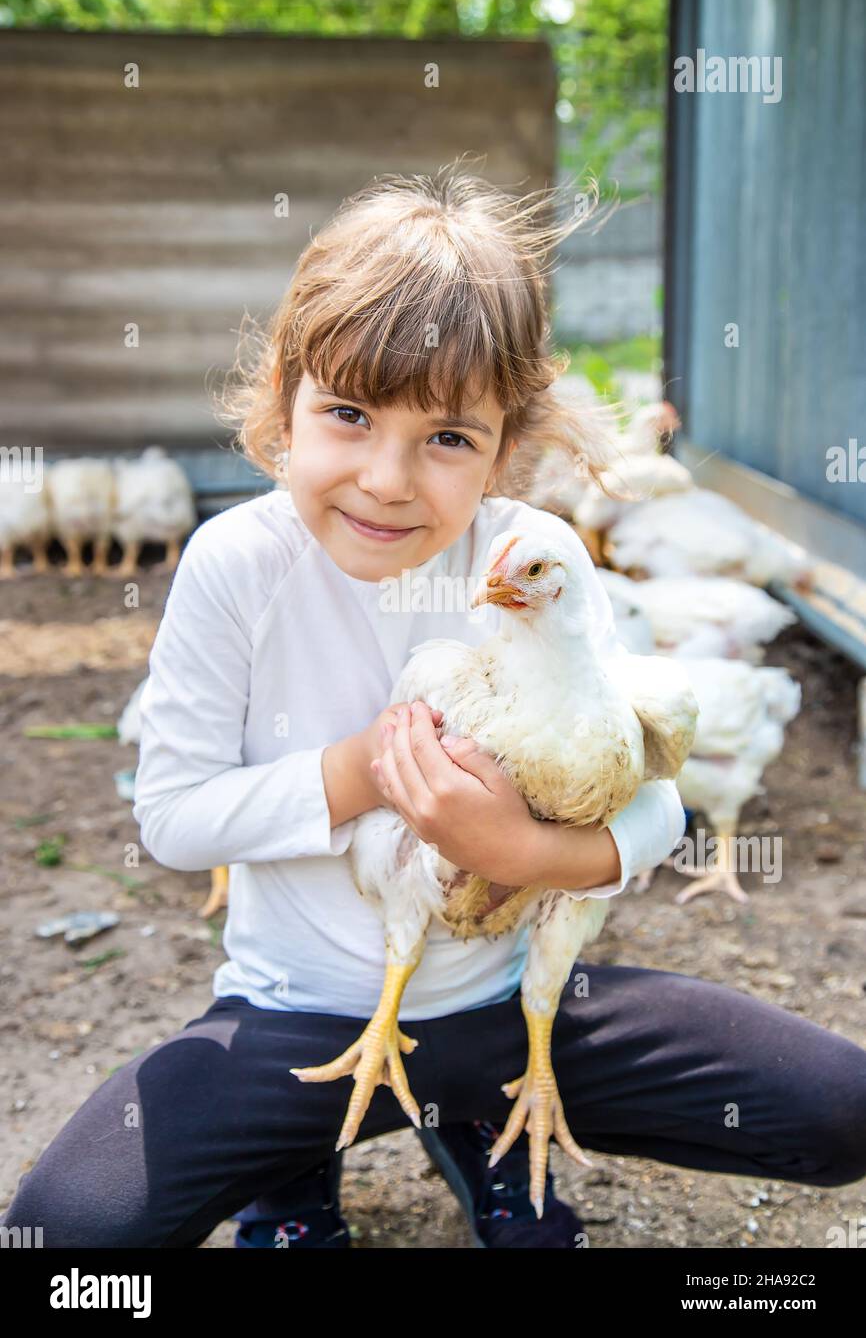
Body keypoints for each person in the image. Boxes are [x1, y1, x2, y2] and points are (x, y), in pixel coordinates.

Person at [4, 163, 865, 1250]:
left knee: (840, 1111)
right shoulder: (234, 563)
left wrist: (529, 851)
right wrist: (364, 768)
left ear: (505, 448)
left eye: (447, 438)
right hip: (292, 1015)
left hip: (512, 1004)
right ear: (285, 402)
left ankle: (484, 1119)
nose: (387, 478)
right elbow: (172, 816)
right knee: (59, 1244)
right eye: (350, 415)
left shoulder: (535, 567)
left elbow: (656, 803)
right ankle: (295, 1156)